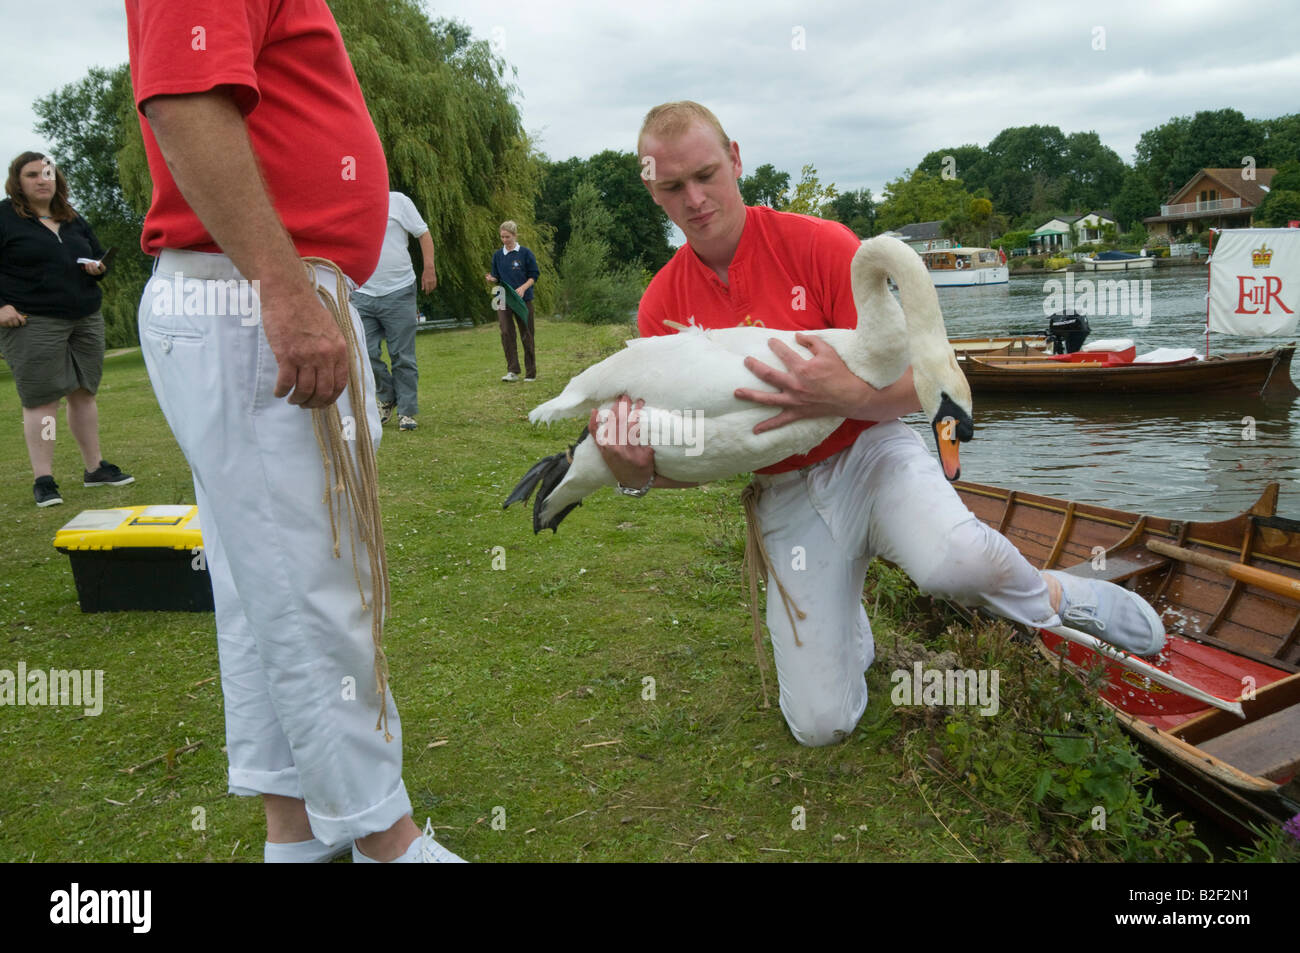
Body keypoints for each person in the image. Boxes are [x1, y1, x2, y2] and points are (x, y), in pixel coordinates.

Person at [591, 101, 1165, 747]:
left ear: (735, 159)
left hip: (873, 451)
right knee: (820, 724)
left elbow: (922, 387)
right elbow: (697, 453)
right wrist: (634, 474)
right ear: (652, 190)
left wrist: (841, 395)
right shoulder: (660, 309)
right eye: (672, 186)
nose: (695, 199)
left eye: (705, 174)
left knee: (959, 563)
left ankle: (1061, 597)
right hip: (785, 493)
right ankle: (845, 624)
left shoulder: (826, 247)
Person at [125, 0, 461, 862]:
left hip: (254, 292)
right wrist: (280, 286)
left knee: (262, 584)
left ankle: (298, 832)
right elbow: (186, 98)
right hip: (253, 296)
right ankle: (388, 841)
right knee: (316, 583)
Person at [0, 152, 133, 507]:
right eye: (32, 175)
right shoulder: (4, 218)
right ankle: (45, 479)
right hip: (34, 321)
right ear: (17, 181)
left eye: (48, 174)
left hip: (84, 317)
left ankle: (95, 469)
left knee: (84, 393)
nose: (42, 180)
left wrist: (97, 268)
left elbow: (96, 257)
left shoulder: (72, 218)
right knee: (44, 400)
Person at [352, 191, 435, 432]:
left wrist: (429, 268)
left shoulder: (399, 201)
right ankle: (387, 396)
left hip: (399, 290)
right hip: (362, 291)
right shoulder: (351, 201)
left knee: (402, 355)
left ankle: (407, 412)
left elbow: (423, 233)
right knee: (365, 353)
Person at [485, 220, 539, 382]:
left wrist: (523, 288)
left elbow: (534, 276)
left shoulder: (525, 253)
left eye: (507, 237)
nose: (504, 240)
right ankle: (512, 371)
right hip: (502, 296)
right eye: (502, 237)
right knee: (506, 332)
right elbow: (497, 277)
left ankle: (531, 373)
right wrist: (491, 278)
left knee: (527, 333)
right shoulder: (497, 255)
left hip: (523, 298)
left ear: (515, 235)